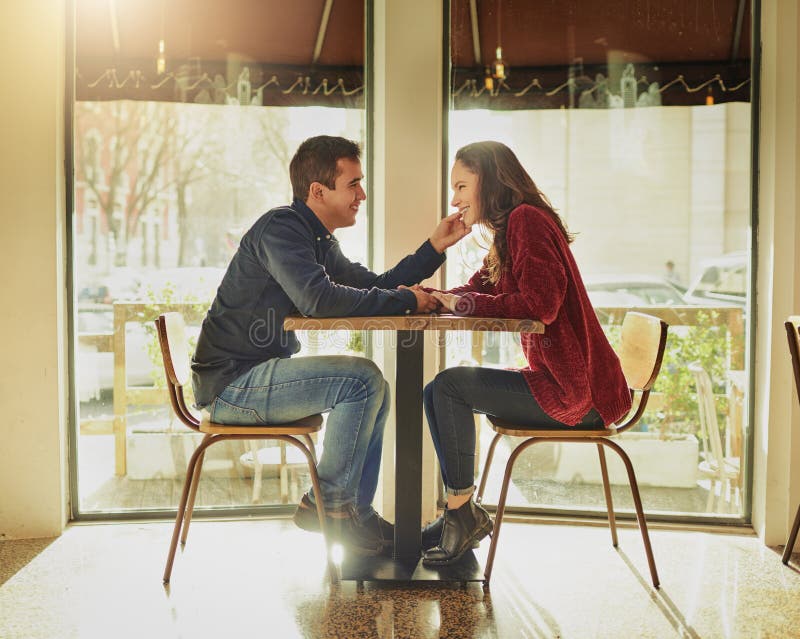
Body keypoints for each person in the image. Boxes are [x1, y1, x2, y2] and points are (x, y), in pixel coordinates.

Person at [191, 135, 469, 556]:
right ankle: (330, 507)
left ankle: (354, 512)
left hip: (251, 377)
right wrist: (407, 299)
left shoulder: (315, 239)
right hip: (232, 386)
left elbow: (375, 284)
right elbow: (318, 299)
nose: (362, 194)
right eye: (353, 184)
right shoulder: (280, 228)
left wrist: (433, 248)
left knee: (374, 388)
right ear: (318, 191)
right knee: (361, 380)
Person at [419, 141, 633, 566]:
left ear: (489, 181)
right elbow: (480, 288)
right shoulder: (512, 227)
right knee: (438, 390)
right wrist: (431, 296)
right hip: (568, 384)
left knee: (447, 389)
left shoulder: (526, 222)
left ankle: (461, 516)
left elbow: (540, 305)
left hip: (577, 394)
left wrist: (453, 304)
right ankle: (461, 517)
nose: (455, 199)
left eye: (462, 186)